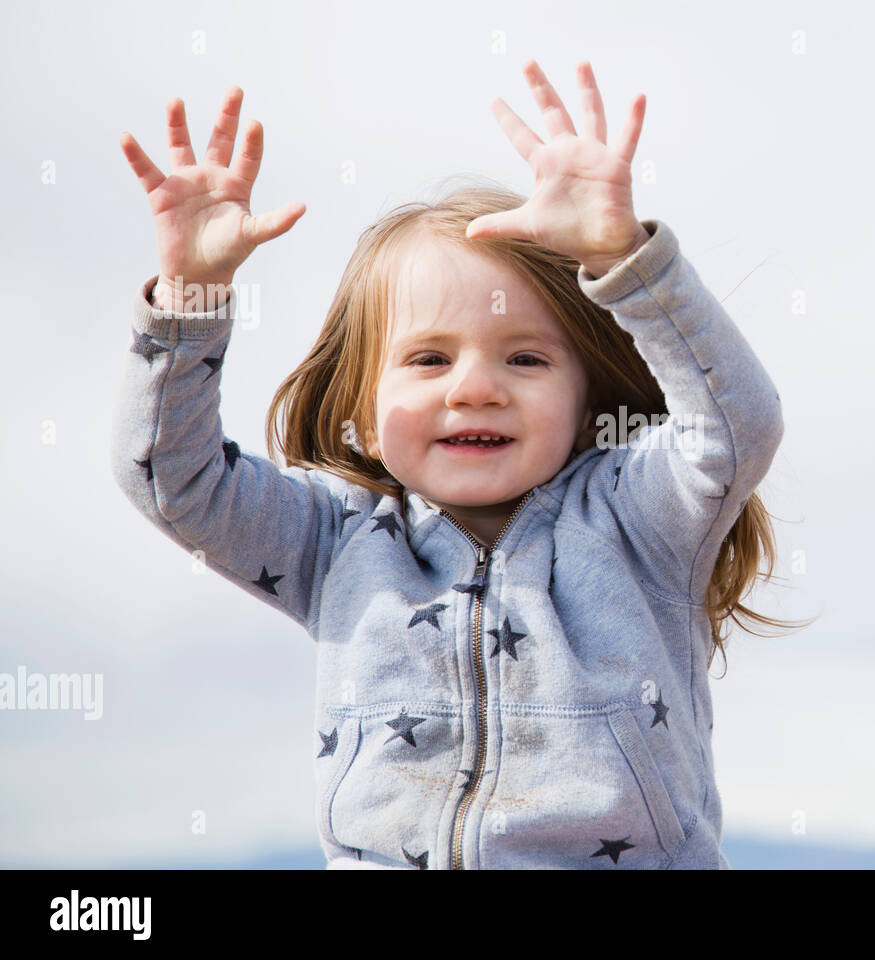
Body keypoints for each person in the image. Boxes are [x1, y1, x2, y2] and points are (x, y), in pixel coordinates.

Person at [111, 59, 811, 869]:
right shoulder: (333, 542)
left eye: (524, 359)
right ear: (364, 410)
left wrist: (627, 260)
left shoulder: (638, 518)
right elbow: (169, 478)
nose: (476, 388)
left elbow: (738, 425)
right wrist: (190, 296)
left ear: (589, 399)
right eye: (430, 359)